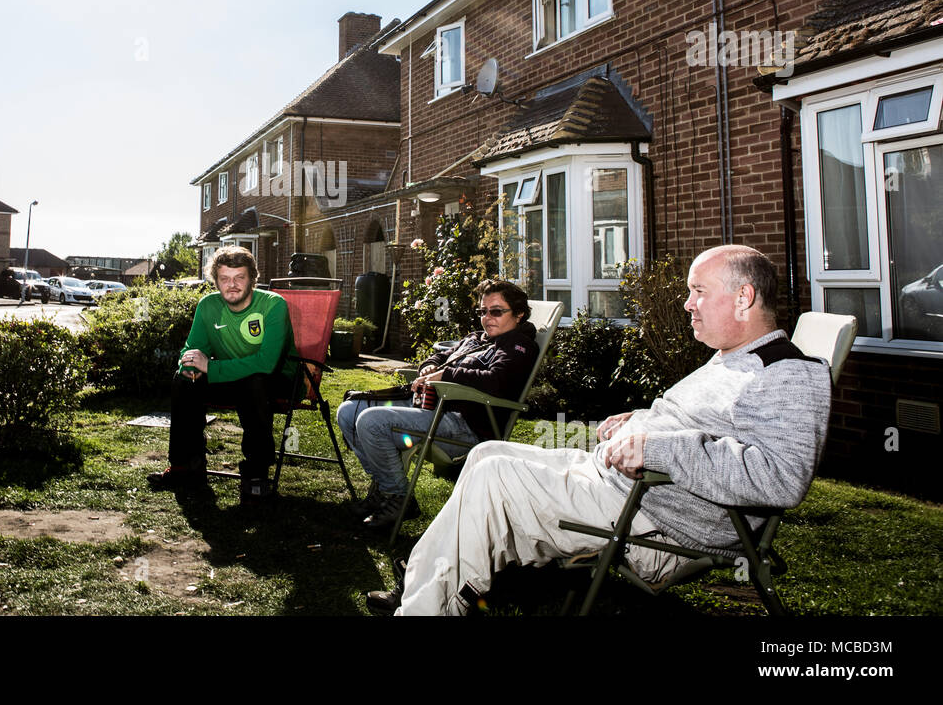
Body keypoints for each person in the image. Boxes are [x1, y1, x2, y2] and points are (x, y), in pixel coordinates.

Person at [368, 245, 831, 615]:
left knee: (495, 477)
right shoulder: (735, 357)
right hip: (624, 488)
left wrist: (657, 446)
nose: (687, 303)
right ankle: (425, 587)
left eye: (698, 292)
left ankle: (426, 606)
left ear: (744, 297)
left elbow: (781, 476)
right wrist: (641, 419)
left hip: (658, 520)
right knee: (487, 453)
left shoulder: (787, 374)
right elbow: (707, 424)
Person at [336, 279, 539, 530]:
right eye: (482, 311)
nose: (487, 318)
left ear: (518, 314)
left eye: (496, 311)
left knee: (371, 421)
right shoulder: (476, 338)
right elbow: (441, 355)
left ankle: (398, 497)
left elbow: (497, 381)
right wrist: (430, 365)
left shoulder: (518, 346)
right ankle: (384, 488)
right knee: (347, 412)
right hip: (432, 410)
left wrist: (447, 375)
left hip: (464, 426)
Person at [148, 245, 297, 505]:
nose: (232, 285)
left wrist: (212, 368)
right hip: (232, 376)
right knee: (184, 382)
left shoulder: (273, 305)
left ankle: (256, 475)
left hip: (277, 380)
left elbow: (267, 362)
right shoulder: (208, 305)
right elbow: (191, 350)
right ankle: (186, 467)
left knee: (255, 381)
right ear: (215, 281)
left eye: (239, 277)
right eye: (225, 279)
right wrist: (192, 368)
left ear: (252, 278)